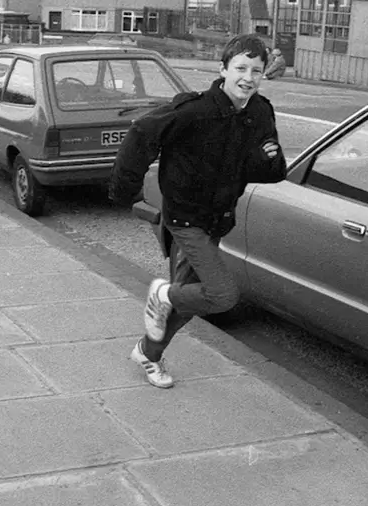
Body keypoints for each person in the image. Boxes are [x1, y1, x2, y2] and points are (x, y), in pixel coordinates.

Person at [110, 33, 287, 388]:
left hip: (218, 218)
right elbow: (141, 132)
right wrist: (125, 191)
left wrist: (266, 158)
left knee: (191, 300)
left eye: (256, 70)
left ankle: (148, 352)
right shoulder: (194, 110)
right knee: (221, 295)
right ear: (222, 69)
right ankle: (161, 294)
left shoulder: (259, 111)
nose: (248, 77)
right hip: (184, 218)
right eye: (240, 68)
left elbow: (270, 170)